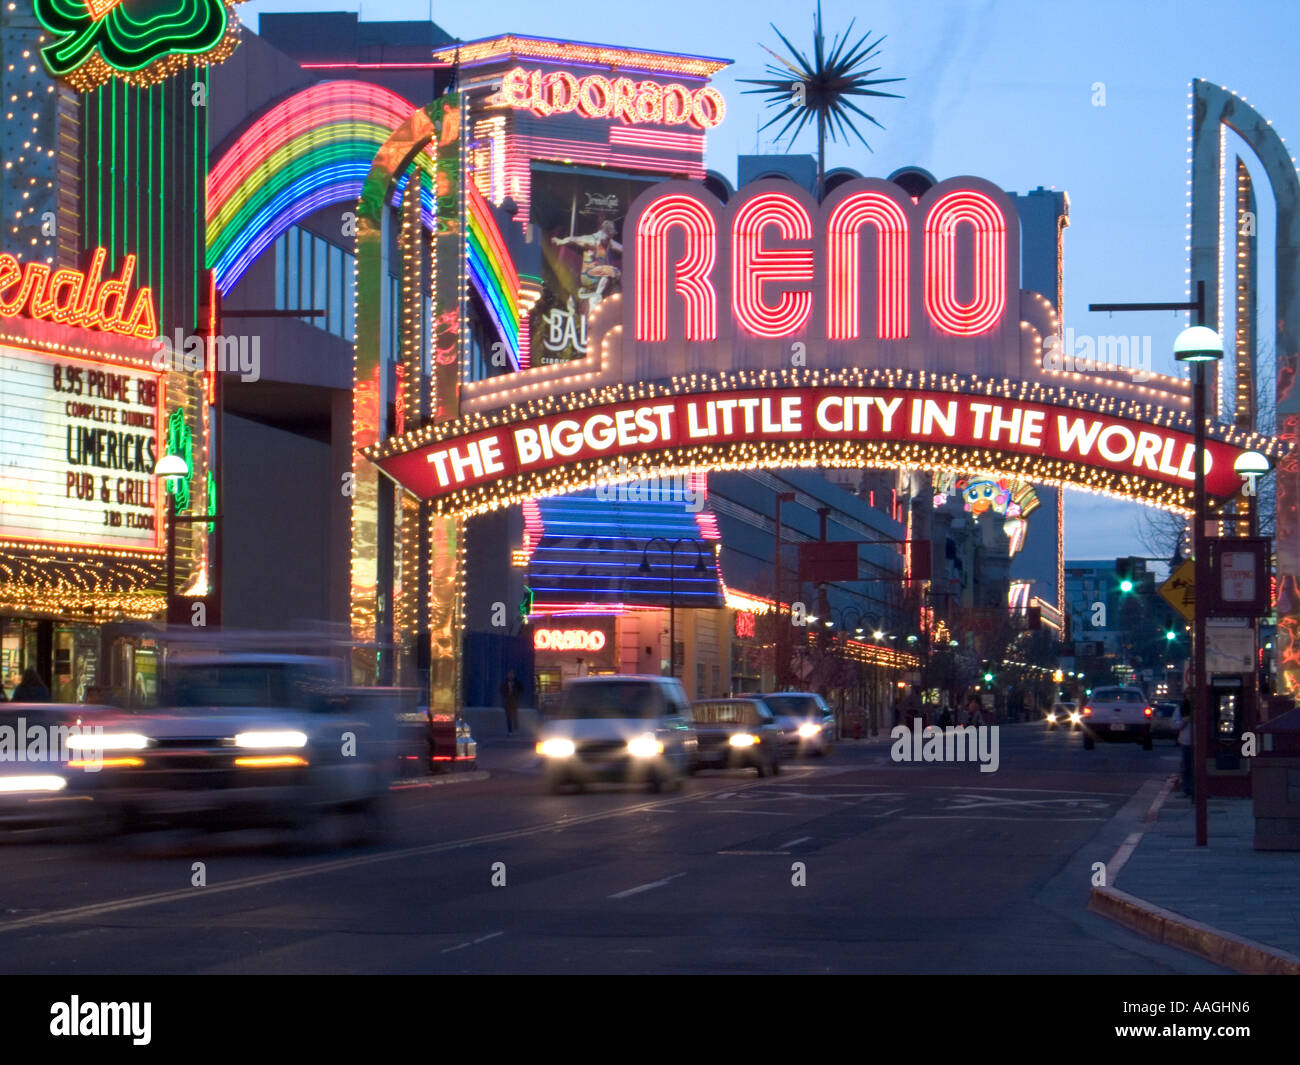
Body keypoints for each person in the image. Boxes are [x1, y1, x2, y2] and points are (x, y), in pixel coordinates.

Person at [1178, 696, 1194, 798]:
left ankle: (1194, 788)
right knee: (1187, 767)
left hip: (1198, 742)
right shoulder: (1181, 708)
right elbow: (1174, 724)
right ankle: (1187, 789)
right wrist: (1185, 721)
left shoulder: (1199, 706)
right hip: (1186, 741)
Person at [500, 670, 521, 735]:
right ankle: (510, 731)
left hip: (514, 701)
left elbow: (521, 689)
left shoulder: (517, 682)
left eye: (512, 675)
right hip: (507, 702)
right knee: (509, 717)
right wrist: (506, 695)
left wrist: (517, 695)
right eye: (509, 674)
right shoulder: (505, 683)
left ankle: (516, 729)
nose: (510, 676)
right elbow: (502, 690)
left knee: (515, 716)